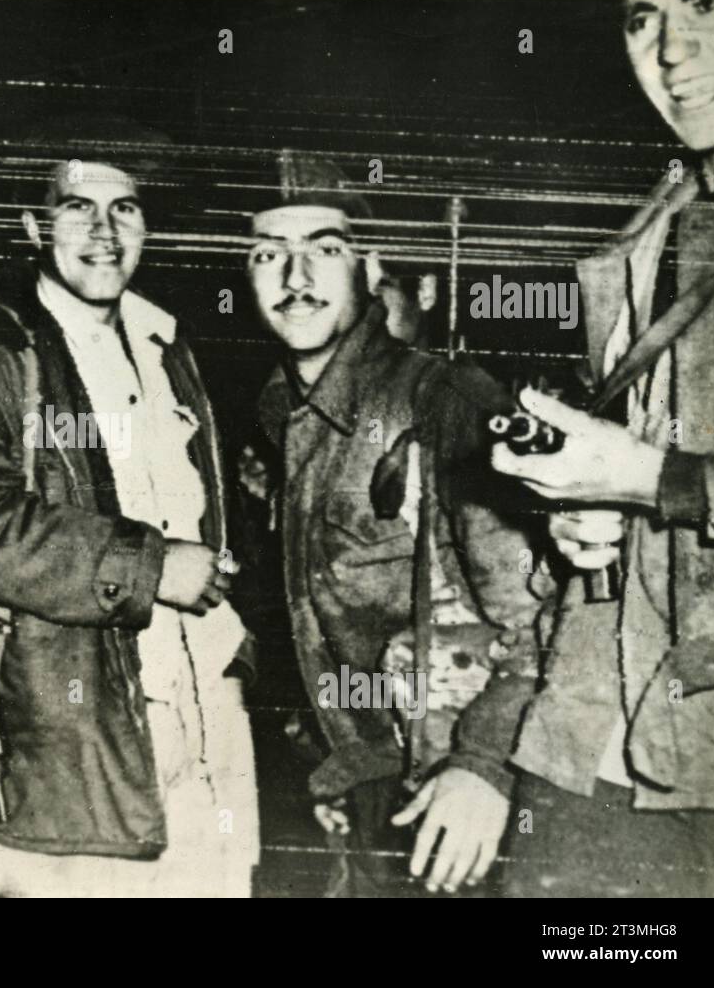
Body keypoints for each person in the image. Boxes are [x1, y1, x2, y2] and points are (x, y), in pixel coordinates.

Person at [0, 127, 260, 897]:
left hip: (207, 720)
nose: (104, 233)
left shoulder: (170, 343)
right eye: (77, 208)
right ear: (34, 226)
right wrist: (152, 566)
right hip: (75, 746)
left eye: (124, 209)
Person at [244, 157, 545, 896]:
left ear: (371, 268)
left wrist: (483, 769)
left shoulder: (446, 404)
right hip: (379, 789)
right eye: (267, 253)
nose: (295, 274)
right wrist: (337, 759)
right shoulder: (277, 416)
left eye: (325, 248)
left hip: (463, 794)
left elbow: (542, 623)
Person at [491, 0, 714, 897]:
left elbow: (665, 472)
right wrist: (585, 512)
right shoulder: (654, 238)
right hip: (607, 735)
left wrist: (649, 480)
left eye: (711, 2)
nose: (672, 52)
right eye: (644, 19)